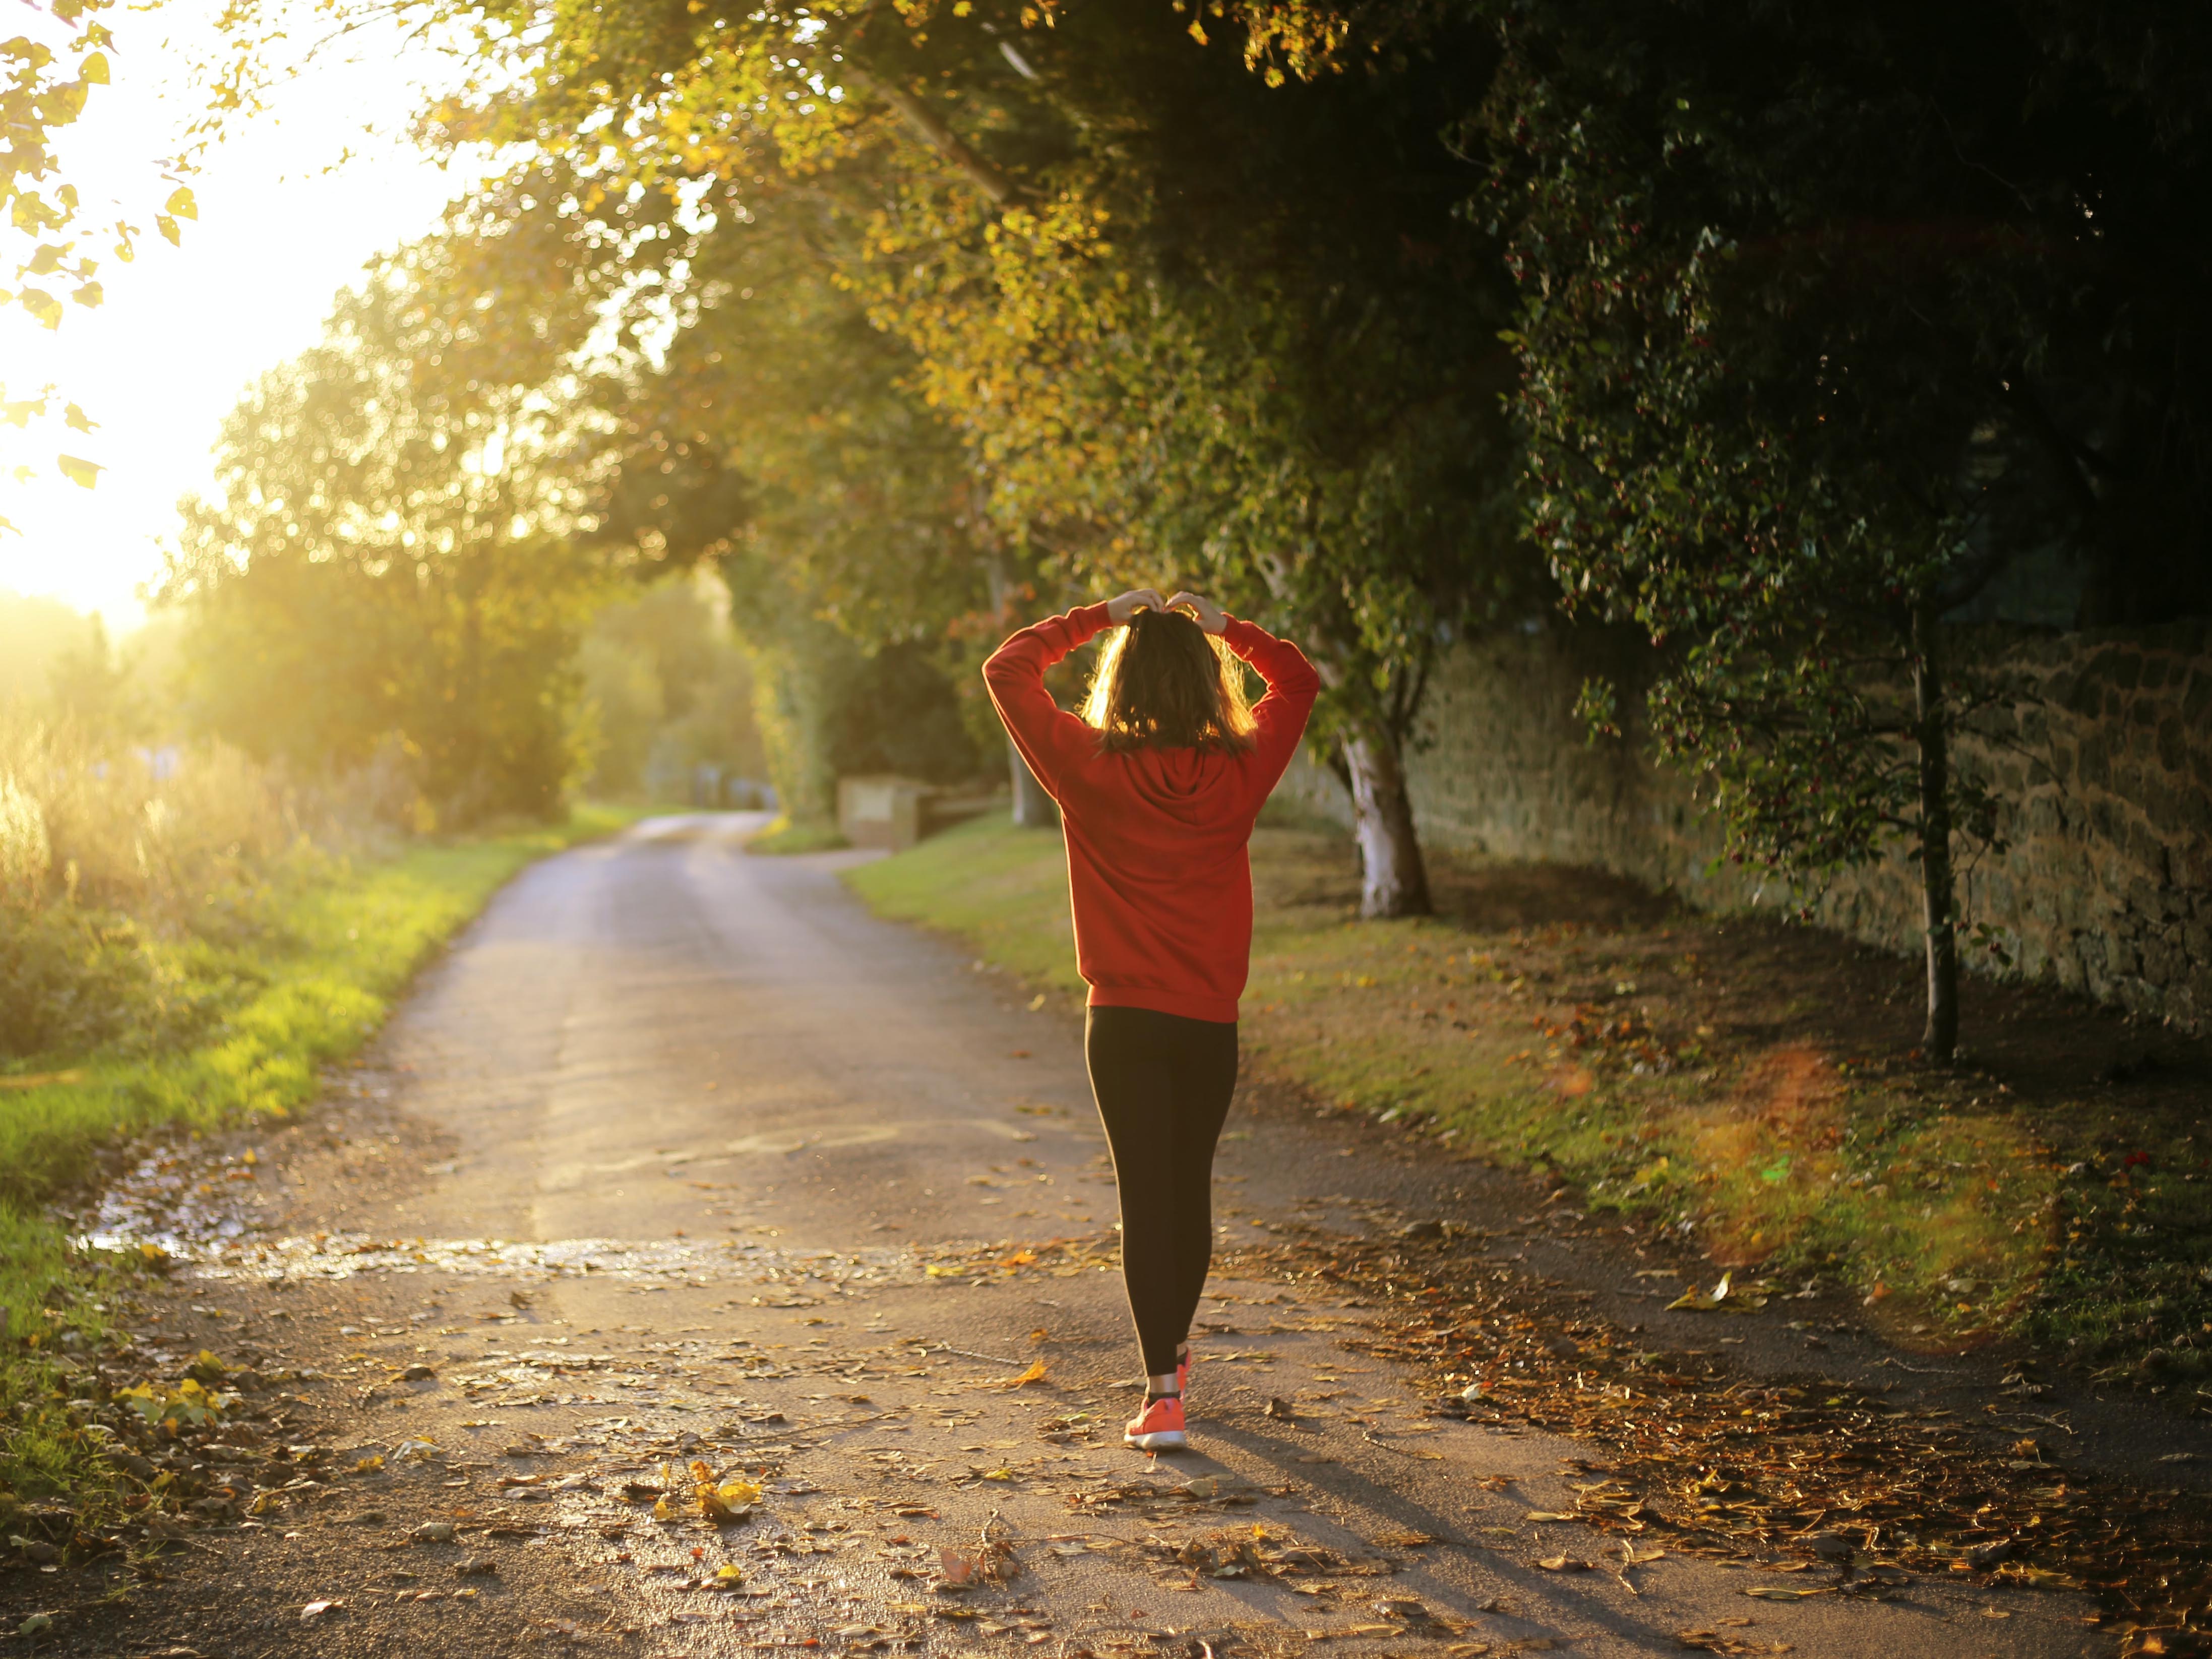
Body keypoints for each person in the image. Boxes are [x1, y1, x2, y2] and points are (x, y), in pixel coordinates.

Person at [983, 587, 1320, 1451]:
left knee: (1146, 1198)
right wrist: (1228, 629)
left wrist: (1099, 616)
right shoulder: (1242, 769)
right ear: (1209, 685)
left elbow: (1008, 668)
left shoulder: (1086, 765)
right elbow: (1299, 679)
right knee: (1189, 1189)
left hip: (1124, 1022)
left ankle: (1163, 1394)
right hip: (1208, 1022)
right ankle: (1170, 1359)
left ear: (1121, 683)